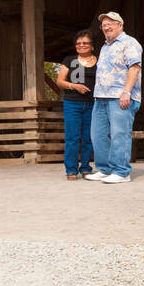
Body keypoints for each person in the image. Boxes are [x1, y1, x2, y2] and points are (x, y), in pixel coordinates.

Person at [85, 12, 142, 185]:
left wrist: (127, 92)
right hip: (101, 97)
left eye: (110, 23)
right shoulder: (104, 47)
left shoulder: (130, 42)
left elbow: (134, 68)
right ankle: (105, 169)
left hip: (120, 96)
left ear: (120, 25)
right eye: (103, 25)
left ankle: (122, 171)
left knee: (120, 134)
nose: (106, 27)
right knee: (98, 134)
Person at [56, 29, 97, 179]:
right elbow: (60, 81)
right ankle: (71, 169)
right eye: (78, 43)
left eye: (85, 43)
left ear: (92, 46)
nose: (81, 45)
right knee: (72, 137)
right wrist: (75, 86)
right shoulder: (70, 60)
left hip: (92, 104)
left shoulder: (99, 61)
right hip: (72, 103)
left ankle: (85, 167)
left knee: (88, 137)